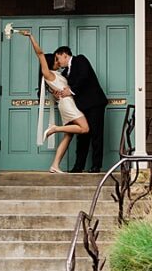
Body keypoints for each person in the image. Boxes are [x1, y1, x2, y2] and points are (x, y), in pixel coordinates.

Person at [21, 30, 88, 174]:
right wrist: (31, 37)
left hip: (67, 102)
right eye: (56, 60)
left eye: (59, 60)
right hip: (68, 104)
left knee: (68, 136)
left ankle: (55, 165)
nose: (58, 62)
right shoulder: (48, 74)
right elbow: (40, 54)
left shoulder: (59, 74)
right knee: (85, 129)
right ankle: (54, 128)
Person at [51, 42, 109, 173]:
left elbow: (84, 76)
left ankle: (96, 166)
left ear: (64, 55)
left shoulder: (80, 60)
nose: (58, 63)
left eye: (58, 59)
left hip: (95, 104)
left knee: (96, 135)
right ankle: (78, 166)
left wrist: (70, 91)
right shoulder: (65, 72)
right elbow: (62, 87)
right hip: (81, 107)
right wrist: (58, 93)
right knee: (82, 137)